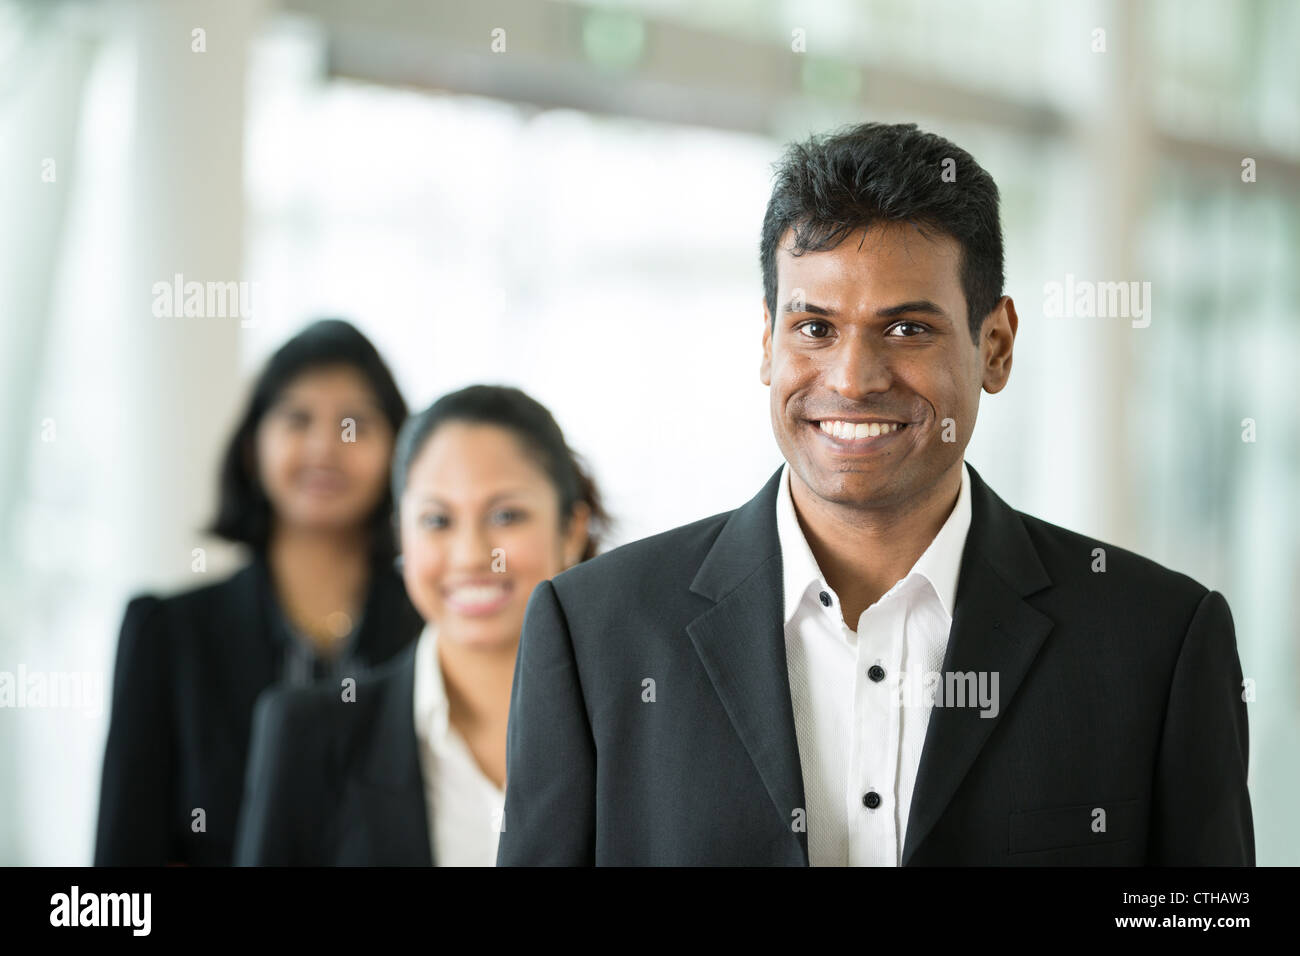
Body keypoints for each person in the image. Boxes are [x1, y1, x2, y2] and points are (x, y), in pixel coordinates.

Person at [496, 122, 1255, 866]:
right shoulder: (597, 633)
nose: (854, 379)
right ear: (767, 343)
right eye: (816, 328)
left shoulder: (1156, 641)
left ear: (995, 345)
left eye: (907, 330)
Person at [94, 319, 423, 866]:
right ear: (253, 447)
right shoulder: (169, 633)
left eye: (354, 425)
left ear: (398, 455)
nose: (324, 446)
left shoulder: (433, 627)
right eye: (297, 419)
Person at [234, 385, 606, 865]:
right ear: (400, 535)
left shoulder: (639, 725)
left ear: (572, 530)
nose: (472, 554)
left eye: (506, 514)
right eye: (437, 520)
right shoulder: (308, 735)